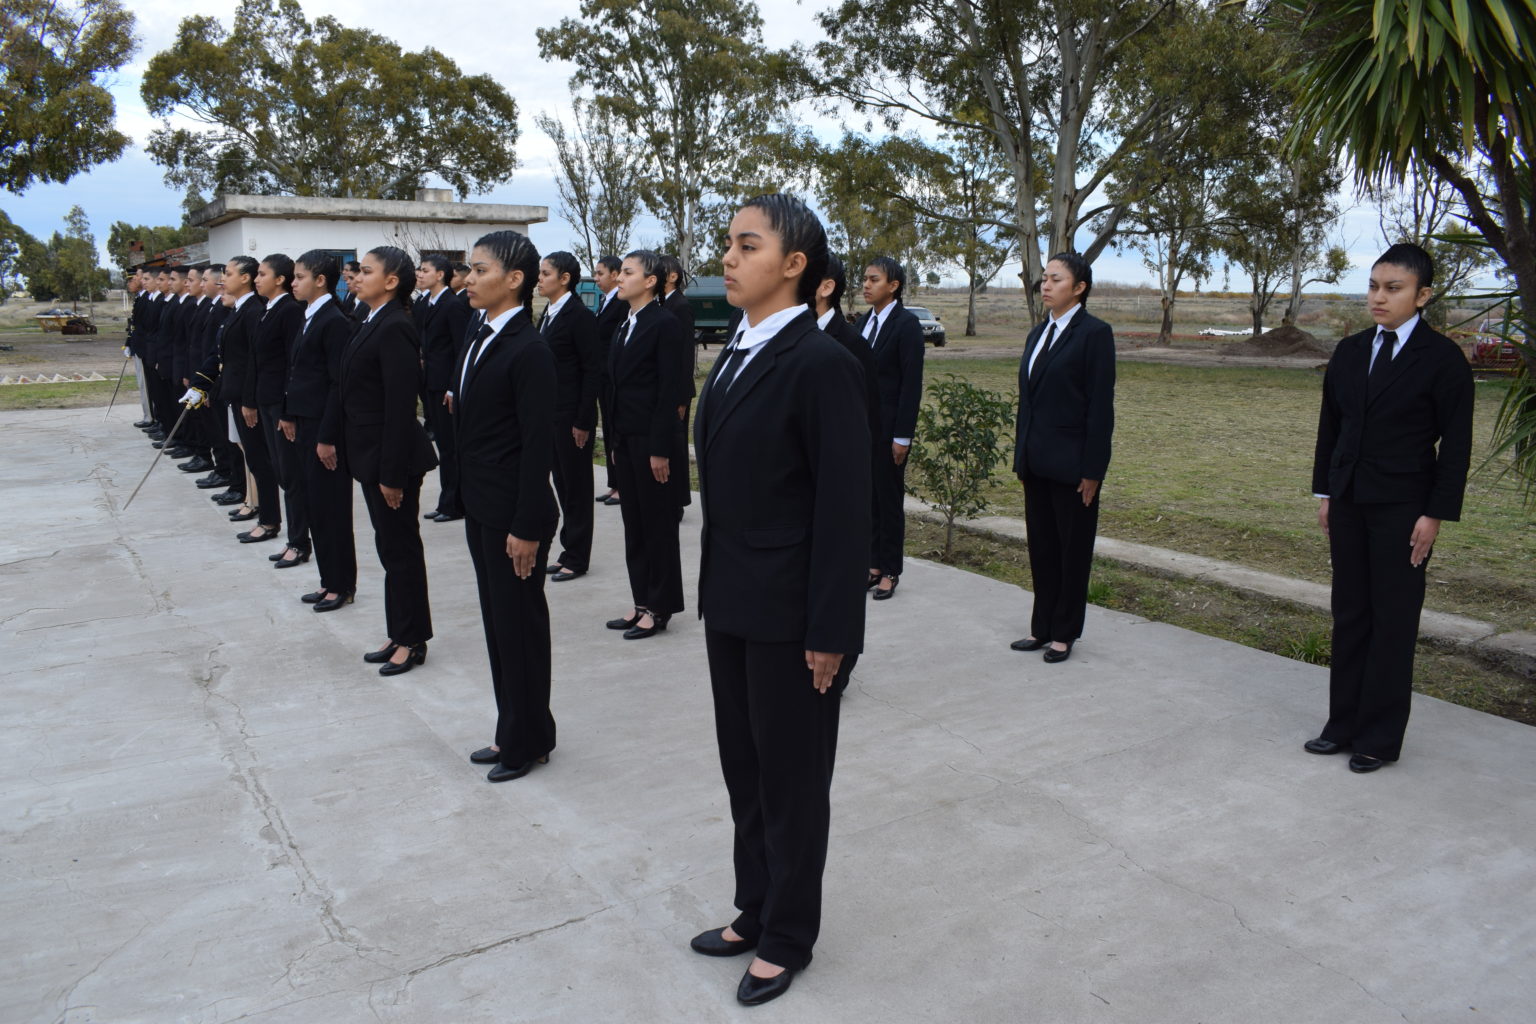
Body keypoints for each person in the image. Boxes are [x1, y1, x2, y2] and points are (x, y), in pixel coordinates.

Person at [689, 193, 870, 1006]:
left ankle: (789, 934)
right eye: (729, 244)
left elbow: (843, 509)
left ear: (795, 265)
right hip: (731, 597)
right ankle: (754, 907)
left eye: (747, 245)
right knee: (746, 769)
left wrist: (833, 631)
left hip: (794, 612)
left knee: (793, 781)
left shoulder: (822, 362)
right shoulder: (738, 346)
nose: (728, 257)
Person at [1306, 243, 1474, 773]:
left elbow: (1457, 446)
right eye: (1374, 286)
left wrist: (1434, 514)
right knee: (1350, 612)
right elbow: (1331, 427)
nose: (1378, 297)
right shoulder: (1352, 351)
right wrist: (1326, 493)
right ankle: (1343, 724)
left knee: (1393, 619)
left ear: (1422, 296)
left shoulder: (1442, 360)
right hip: (1350, 501)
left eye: (1393, 288)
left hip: (1405, 508)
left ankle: (1379, 736)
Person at [449, 230, 559, 782]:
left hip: (514, 514)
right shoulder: (480, 332)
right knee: (499, 626)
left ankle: (527, 740)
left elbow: (538, 446)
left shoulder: (529, 349)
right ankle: (514, 729)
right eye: (469, 269)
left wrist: (527, 525)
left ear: (514, 280)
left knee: (519, 629)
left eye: (480, 269)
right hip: (484, 504)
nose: (469, 279)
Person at [1009, 252, 1116, 665]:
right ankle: (1042, 628)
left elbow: (1100, 409)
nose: (1046, 285)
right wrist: (1023, 458)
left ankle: (1065, 632)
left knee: (1072, 551)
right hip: (1036, 464)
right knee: (1042, 549)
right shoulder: (1037, 334)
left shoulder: (1094, 334)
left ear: (1079, 287)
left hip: (1074, 469)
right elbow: (1029, 404)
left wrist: (1093, 470)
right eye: (1044, 279)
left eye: (1056, 279)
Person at [342, 245, 438, 676]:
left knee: (400, 549)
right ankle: (399, 629)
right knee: (389, 547)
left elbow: (401, 407)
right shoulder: (370, 319)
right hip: (370, 454)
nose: (356, 278)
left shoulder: (395, 326)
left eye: (365, 272)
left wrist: (392, 473)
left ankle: (412, 638)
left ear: (392, 281)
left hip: (391, 457)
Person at [604, 250, 690, 639]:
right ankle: (641, 602)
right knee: (634, 525)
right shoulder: (627, 324)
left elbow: (668, 391)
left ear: (651, 280)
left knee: (657, 525)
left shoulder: (664, 324)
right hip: (625, 439)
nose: (619, 278)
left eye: (627, 272)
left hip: (651, 442)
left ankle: (660, 606)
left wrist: (660, 449)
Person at [283, 250, 358, 613]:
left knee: (332, 510)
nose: (292, 282)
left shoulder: (334, 321)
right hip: (305, 423)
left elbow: (337, 385)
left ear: (320, 280)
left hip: (324, 429)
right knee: (315, 506)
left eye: (299, 277)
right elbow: (298, 371)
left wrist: (328, 437)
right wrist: (289, 413)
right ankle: (329, 580)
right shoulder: (310, 316)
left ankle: (341, 584)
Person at [856, 257, 924, 600]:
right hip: (861, 430)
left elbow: (911, 385)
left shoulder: (906, 325)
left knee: (888, 500)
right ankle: (872, 564)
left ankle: (890, 570)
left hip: (889, 432)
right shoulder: (864, 323)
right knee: (867, 500)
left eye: (873, 279)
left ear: (893, 285)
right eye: (864, 279)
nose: (866, 285)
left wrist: (902, 436)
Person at [185, 257, 268, 521]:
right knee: (244, 450)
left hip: (244, 394)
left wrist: (248, 399)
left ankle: (259, 505)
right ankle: (251, 499)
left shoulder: (253, 310)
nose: (223, 281)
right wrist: (201, 383)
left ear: (245, 278)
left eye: (228, 274)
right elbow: (220, 353)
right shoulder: (237, 310)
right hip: (232, 391)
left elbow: (252, 361)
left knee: (252, 453)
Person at [537, 251, 602, 582]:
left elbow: (592, 372)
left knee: (576, 488)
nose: (540, 279)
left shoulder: (579, 316)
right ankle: (567, 550)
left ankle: (577, 557)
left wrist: (583, 421)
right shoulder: (548, 314)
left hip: (571, 417)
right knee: (562, 485)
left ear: (565, 278)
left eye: (546, 273)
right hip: (550, 416)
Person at [241, 254, 304, 552]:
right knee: (279, 470)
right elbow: (256, 359)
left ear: (279, 279)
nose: (256, 279)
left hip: (280, 404)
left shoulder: (289, 311)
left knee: (290, 475)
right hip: (266, 401)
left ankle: (298, 541)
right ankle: (287, 532)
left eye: (262, 274)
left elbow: (293, 363)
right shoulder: (267, 310)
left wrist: (288, 410)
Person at [417, 252, 471, 523]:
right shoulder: (427, 302)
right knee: (443, 446)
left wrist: (453, 387)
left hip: (445, 386)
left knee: (451, 447)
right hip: (430, 383)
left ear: (440, 275)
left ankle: (455, 503)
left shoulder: (452, 305)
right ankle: (446, 500)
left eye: (425, 270)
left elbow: (461, 348)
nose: (420, 274)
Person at [659, 253, 696, 519]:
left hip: (678, 392)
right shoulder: (663, 304)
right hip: (665, 389)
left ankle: (678, 500)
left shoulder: (680, 305)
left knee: (677, 447)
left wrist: (682, 398)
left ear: (672, 276)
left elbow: (685, 353)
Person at [592, 254, 626, 505]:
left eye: (600, 273)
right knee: (609, 428)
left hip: (614, 376)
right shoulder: (604, 301)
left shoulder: (622, 303)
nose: (596, 279)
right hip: (602, 375)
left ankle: (622, 485)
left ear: (615, 274)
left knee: (618, 430)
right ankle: (614, 483)